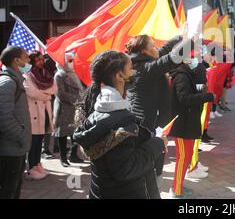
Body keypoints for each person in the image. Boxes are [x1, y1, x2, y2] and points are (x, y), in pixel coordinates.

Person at [73, 50, 167, 199]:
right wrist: (157, 143)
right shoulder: (121, 120)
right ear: (119, 75)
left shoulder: (96, 111)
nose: (134, 72)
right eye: (130, 68)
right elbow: (126, 169)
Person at [125, 26, 193, 196]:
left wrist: (179, 37)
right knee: (151, 168)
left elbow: (163, 51)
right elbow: (171, 58)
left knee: (154, 165)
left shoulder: (143, 62)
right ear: (144, 51)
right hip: (147, 127)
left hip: (152, 125)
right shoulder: (144, 68)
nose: (157, 48)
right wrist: (191, 39)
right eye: (153, 45)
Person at [168, 61, 215, 199]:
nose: (197, 60)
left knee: (187, 156)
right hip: (182, 125)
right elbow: (184, 99)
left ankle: (179, 186)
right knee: (183, 158)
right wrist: (207, 96)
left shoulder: (187, 74)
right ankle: (176, 190)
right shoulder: (182, 76)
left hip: (187, 123)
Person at [0, 47, 32, 199]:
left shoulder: (16, 80)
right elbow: (4, 118)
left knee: (14, 188)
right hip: (10, 148)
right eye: (26, 58)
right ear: (16, 61)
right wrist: (21, 136)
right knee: (8, 190)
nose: (29, 61)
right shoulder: (8, 82)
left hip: (16, 147)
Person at [23, 51, 57, 180]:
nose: (41, 62)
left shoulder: (46, 74)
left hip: (45, 111)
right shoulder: (27, 75)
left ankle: (37, 165)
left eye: (42, 59)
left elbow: (54, 89)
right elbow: (32, 92)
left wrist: (44, 93)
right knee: (34, 142)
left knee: (40, 139)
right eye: (38, 60)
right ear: (32, 61)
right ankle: (31, 168)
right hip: (34, 112)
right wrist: (46, 95)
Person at [53, 53, 84, 167]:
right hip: (64, 108)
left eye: (72, 60)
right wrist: (76, 99)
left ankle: (73, 154)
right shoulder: (59, 75)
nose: (72, 62)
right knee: (62, 133)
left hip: (76, 108)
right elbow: (60, 93)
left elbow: (81, 89)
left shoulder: (74, 74)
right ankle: (63, 157)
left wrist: (82, 99)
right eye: (70, 60)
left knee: (75, 132)